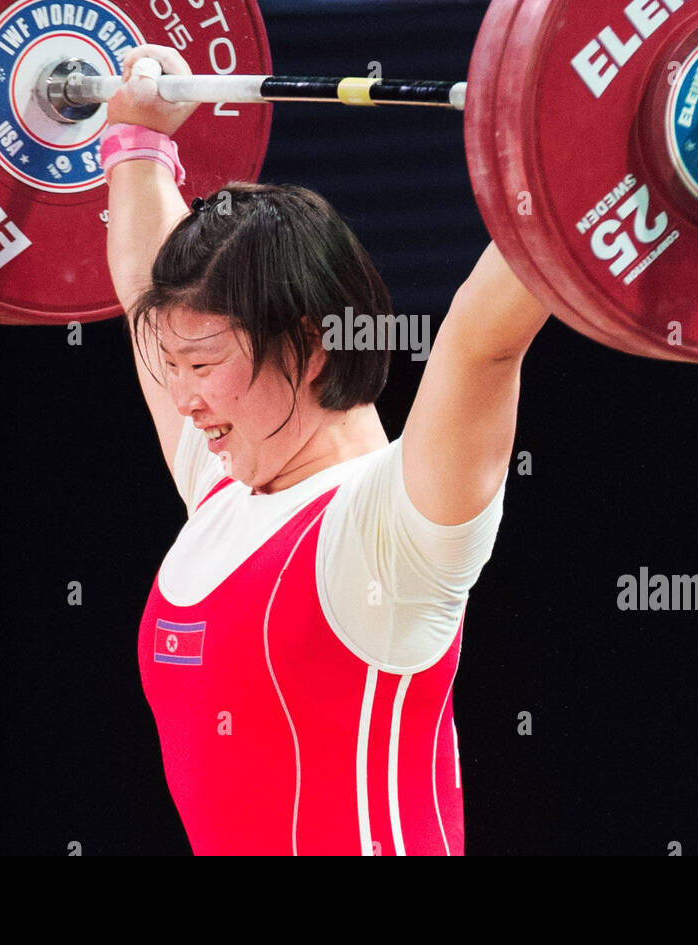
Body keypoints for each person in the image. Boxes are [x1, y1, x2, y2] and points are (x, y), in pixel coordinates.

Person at [105, 44, 549, 855]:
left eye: (203, 365)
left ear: (308, 346)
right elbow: (144, 290)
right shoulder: (225, 487)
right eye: (173, 366)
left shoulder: (387, 527)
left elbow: (482, 341)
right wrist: (136, 144)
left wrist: (572, 173)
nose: (182, 395)